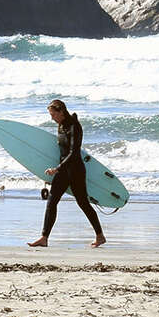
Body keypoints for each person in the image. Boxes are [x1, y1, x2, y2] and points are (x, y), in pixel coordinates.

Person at [28, 98, 106, 248]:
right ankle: (44, 237)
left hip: (75, 170)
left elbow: (74, 152)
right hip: (63, 171)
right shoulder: (61, 126)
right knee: (52, 202)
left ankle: (100, 235)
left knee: (83, 203)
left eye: (53, 114)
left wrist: (57, 169)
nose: (52, 118)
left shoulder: (74, 126)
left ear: (61, 111)